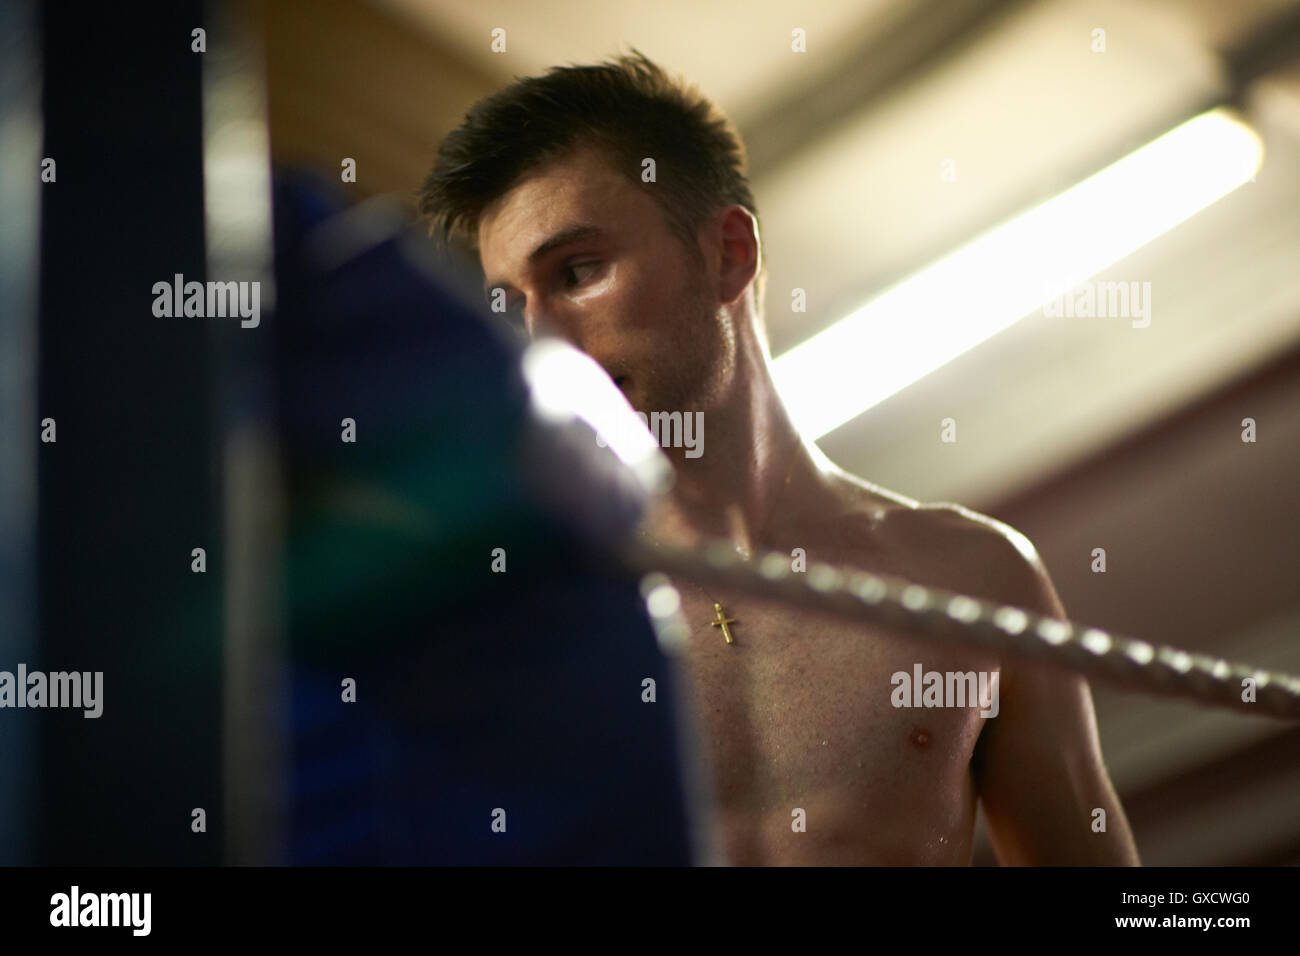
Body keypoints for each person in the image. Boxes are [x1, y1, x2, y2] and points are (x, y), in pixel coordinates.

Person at [418, 52, 1139, 866]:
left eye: (577, 272)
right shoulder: (523, 616)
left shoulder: (974, 578)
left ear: (728, 252)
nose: (543, 341)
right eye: (513, 306)